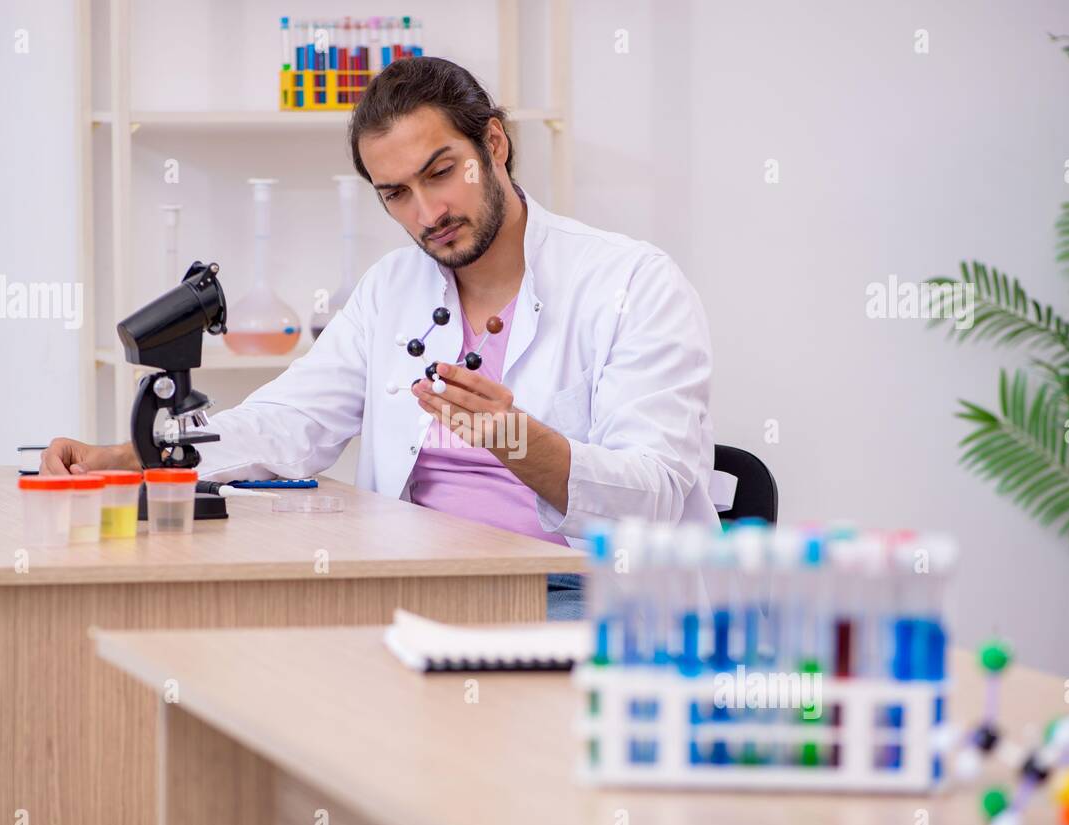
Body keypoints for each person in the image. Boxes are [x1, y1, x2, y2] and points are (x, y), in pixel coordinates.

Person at [41, 56, 720, 620]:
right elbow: (287, 423)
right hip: (412, 588)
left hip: (584, 595)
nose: (427, 214)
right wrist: (130, 454)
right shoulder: (392, 287)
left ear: (495, 144)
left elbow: (655, 493)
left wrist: (516, 438)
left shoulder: (632, 284)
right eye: (396, 193)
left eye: (441, 172)